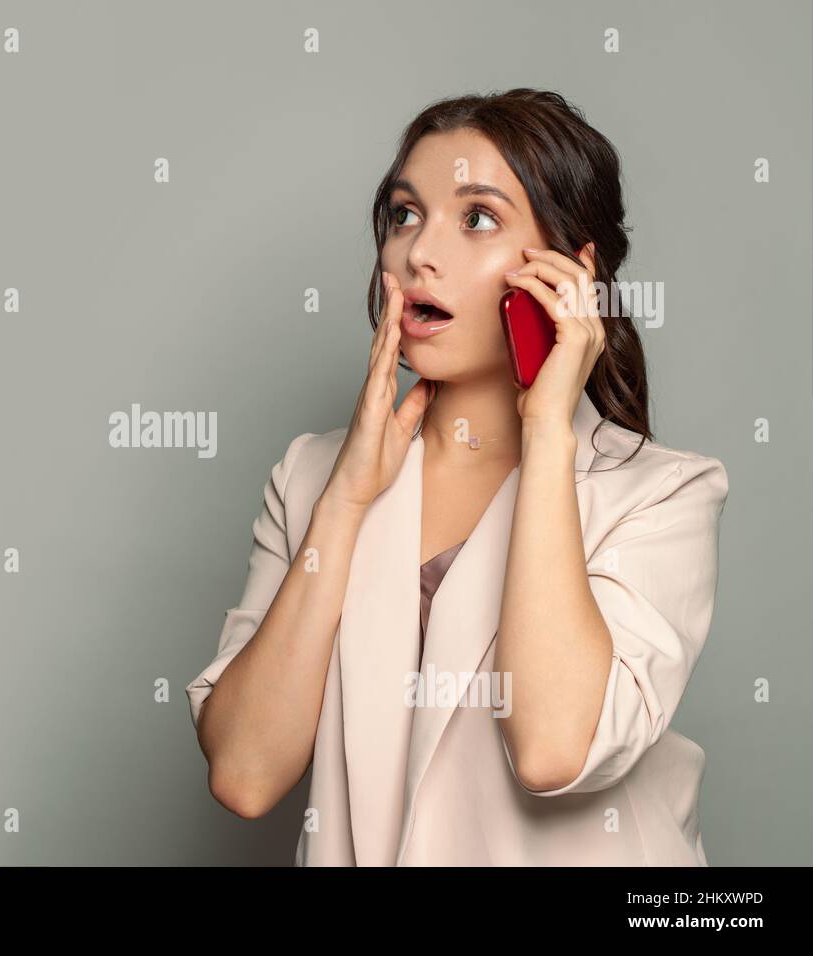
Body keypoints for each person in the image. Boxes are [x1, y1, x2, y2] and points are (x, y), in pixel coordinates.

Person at [186, 89, 729, 866]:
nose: (418, 254)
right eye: (406, 215)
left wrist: (547, 435)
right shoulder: (310, 476)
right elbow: (243, 773)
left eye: (477, 218)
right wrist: (344, 502)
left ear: (568, 274)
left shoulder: (661, 493)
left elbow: (551, 752)